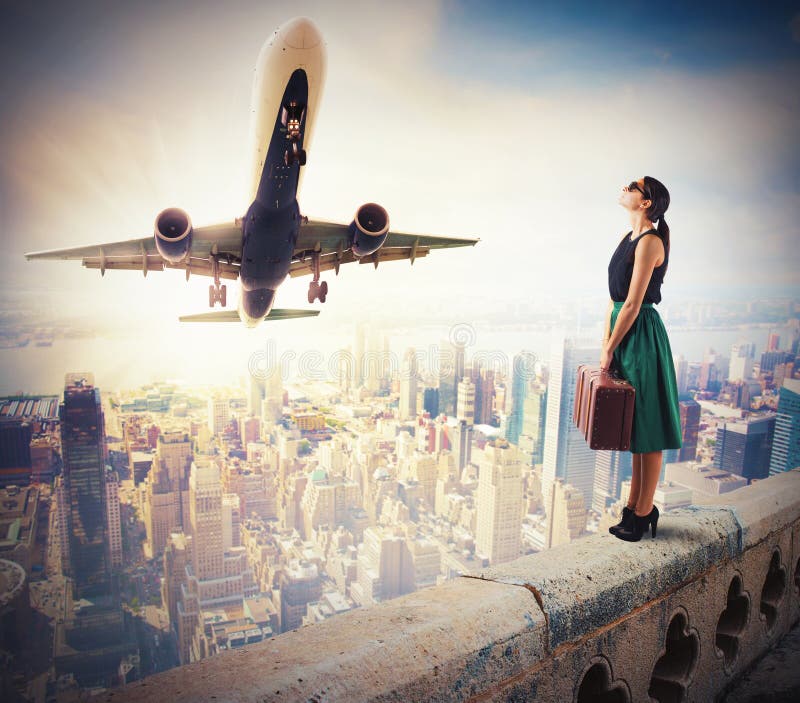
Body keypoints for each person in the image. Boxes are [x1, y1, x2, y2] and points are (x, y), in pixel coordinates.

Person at [601, 176, 682, 542]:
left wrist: (610, 347)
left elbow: (634, 303)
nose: (624, 186)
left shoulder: (650, 242)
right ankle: (634, 507)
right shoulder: (626, 238)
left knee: (647, 427)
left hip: (642, 334)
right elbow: (614, 300)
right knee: (635, 427)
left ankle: (645, 510)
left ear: (646, 202)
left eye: (632, 185)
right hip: (625, 331)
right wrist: (607, 342)